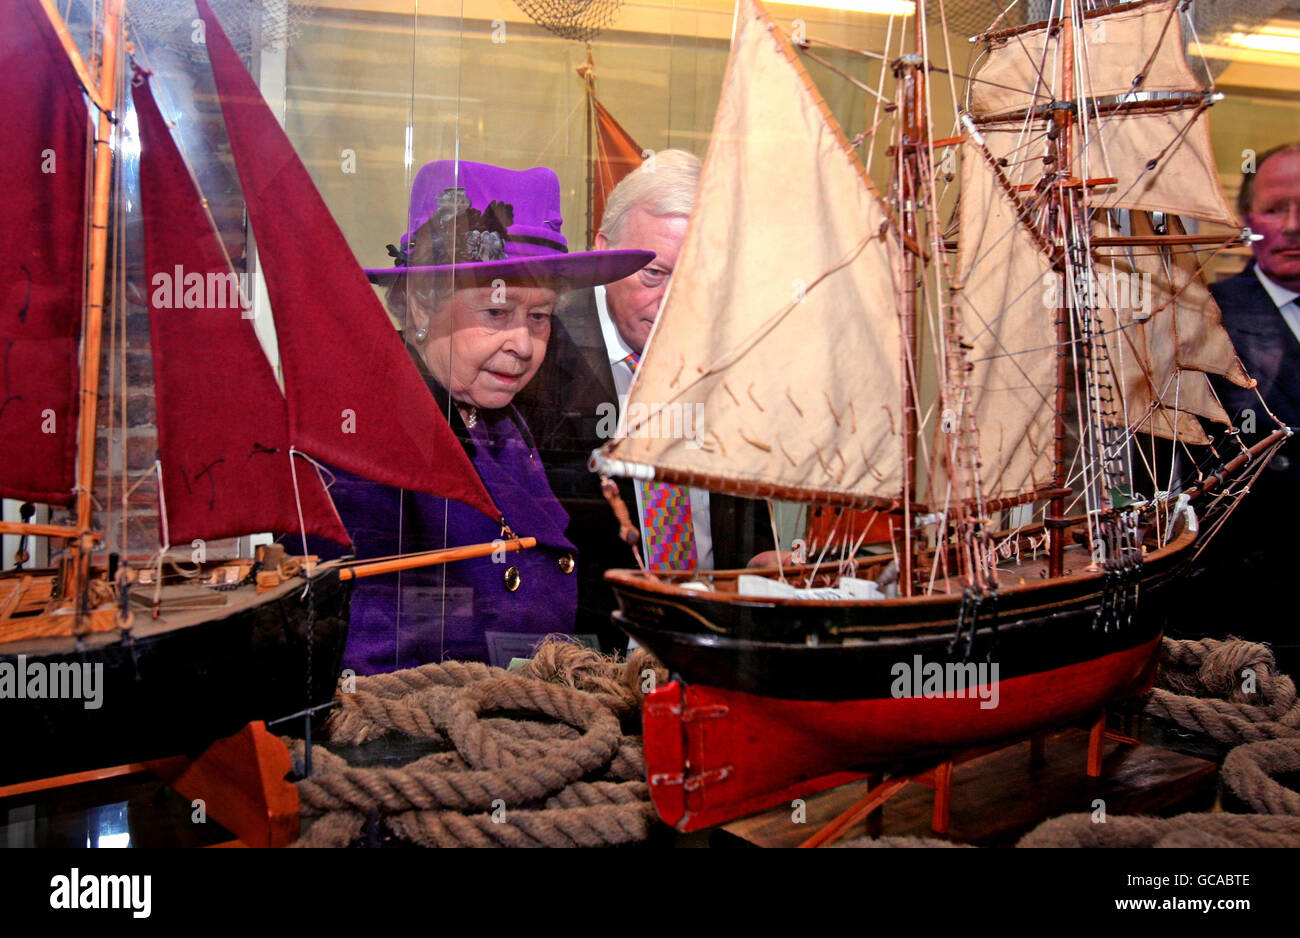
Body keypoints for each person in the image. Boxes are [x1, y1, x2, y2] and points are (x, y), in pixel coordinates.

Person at [319, 160, 652, 674]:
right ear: (422, 308)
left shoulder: (499, 417)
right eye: (496, 313)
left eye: (538, 316)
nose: (522, 345)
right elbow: (369, 652)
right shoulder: (369, 433)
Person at [516, 151, 773, 650]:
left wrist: (760, 561)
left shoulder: (731, 353)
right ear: (604, 251)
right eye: (653, 275)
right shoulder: (536, 357)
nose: (677, 303)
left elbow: (741, 510)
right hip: (585, 658)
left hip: (715, 646)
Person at [1190, 142, 1300, 671]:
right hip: (1250, 620)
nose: (1293, 227)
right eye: (1275, 209)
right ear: (1248, 219)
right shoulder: (1205, 320)